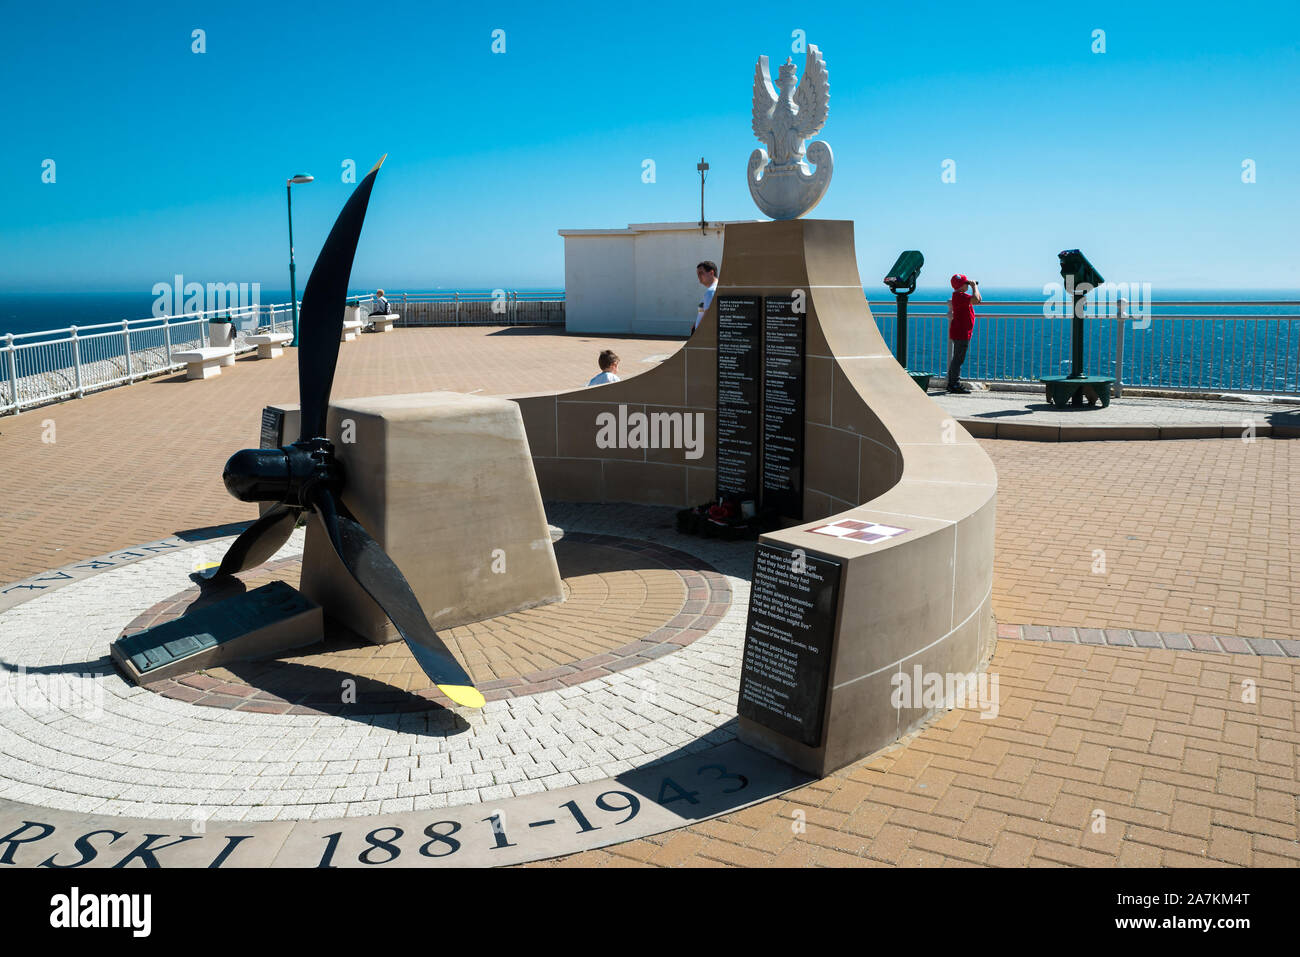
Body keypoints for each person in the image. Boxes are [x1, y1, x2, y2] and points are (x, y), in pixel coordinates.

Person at [947, 273, 981, 393]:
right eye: (966, 283)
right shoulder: (960, 296)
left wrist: (973, 287)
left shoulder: (960, 295)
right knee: (958, 360)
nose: (968, 284)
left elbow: (978, 300)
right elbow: (976, 300)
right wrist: (974, 287)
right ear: (961, 285)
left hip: (961, 331)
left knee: (957, 359)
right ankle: (954, 384)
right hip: (961, 332)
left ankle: (952, 384)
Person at [694, 261, 718, 331]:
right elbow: (702, 312)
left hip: (703, 335)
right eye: (697, 274)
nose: (698, 276)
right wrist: (695, 324)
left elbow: (708, 317)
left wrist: (699, 332)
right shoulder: (713, 289)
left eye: (701, 273)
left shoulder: (711, 291)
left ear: (711, 273)